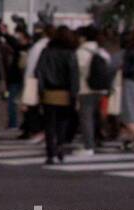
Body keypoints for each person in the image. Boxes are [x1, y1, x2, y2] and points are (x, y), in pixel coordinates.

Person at [35, 25, 78, 164]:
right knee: (62, 122)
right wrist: (74, 93)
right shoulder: (70, 53)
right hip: (65, 91)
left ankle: (49, 152)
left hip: (48, 91)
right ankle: (60, 146)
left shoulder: (46, 52)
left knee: (49, 123)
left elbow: (39, 71)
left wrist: (40, 91)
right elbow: (73, 75)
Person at [74, 25, 110, 155]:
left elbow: (78, 72)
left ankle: (88, 146)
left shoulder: (80, 52)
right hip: (101, 89)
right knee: (96, 116)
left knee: (86, 118)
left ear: (83, 37)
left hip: (85, 89)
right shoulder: (102, 51)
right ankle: (96, 140)